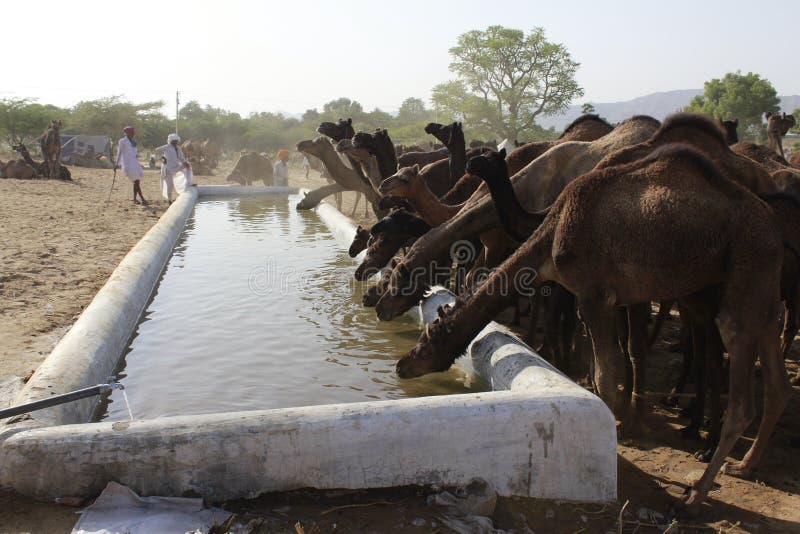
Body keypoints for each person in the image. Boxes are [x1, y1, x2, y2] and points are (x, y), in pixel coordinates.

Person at [153, 133, 193, 204]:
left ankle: (189, 183)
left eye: (176, 141)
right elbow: (156, 150)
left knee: (188, 166)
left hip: (176, 167)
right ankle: (170, 201)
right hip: (167, 169)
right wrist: (162, 158)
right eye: (174, 141)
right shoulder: (166, 147)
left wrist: (185, 162)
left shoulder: (178, 148)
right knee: (169, 185)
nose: (176, 142)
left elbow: (182, 157)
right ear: (171, 141)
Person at [114, 126, 146, 204]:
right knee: (136, 181)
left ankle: (135, 199)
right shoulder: (122, 141)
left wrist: (139, 159)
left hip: (135, 163)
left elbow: (134, 153)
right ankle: (142, 199)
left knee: (137, 181)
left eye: (133, 133)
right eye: (131, 133)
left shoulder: (133, 142)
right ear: (127, 133)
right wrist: (117, 164)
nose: (132, 134)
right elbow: (119, 152)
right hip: (128, 164)